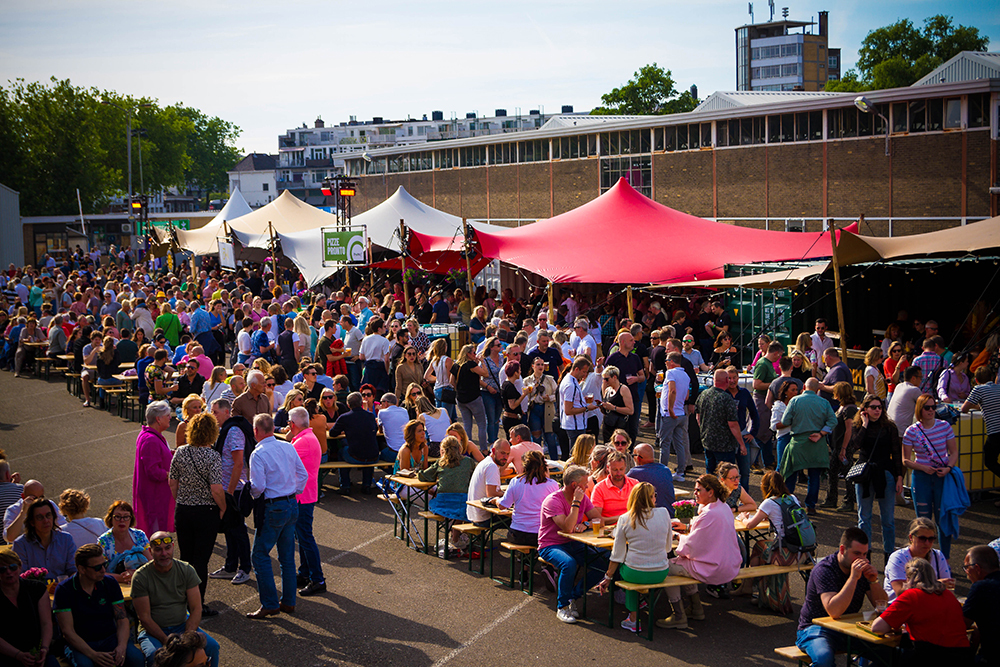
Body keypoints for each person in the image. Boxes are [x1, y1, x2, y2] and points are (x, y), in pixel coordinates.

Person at [656, 474, 742, 629]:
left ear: (711, 492)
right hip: (729, 563)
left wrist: (675, 535)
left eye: (698, 490)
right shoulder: (724, 507)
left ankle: (679, 615)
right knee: (683, 562)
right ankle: (696, 608)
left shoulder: (709, 513)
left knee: (666, 567)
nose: (695, 493)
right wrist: (688, 529)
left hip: (714, 567)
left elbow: (692, 546)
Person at [795, 528, 889, 667]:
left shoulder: (862, 571)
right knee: (823, 659)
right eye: (856, 554)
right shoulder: (825, 569)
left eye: (864, 554)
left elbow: (882, 605)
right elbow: (834, 611)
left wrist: (873, 581)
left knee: (890, 654)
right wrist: (853, 578)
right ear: (842, 549)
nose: (861, 559)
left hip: (849, 628)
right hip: (815, 629)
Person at [247, 414, 308, 619]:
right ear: (273, 428)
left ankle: (270, 603)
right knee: (287, 557)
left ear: (256, 431)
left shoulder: (258, 453)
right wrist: (293, 492)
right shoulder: (288, 446)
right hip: (291, 504)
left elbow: (258, 487)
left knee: (259, 555)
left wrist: (250, 494)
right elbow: (304, 474)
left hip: (274, 506)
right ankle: (289, 601)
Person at [131, 532, 221, 665]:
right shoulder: (140, 577)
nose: (164, 553)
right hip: (153, 632)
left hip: (182, 626)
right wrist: (168, 641)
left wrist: (187, 638)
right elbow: (145, 618)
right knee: (154, 657)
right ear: (150, 551)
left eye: (167, 548)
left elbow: (196, 608)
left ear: (173, 547)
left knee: (213, 647)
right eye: (158, 550)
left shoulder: (186, 570)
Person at [168, 413, 225, 617]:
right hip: (205, 512)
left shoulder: (181, 452)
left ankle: (183, 602)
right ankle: (198, 604)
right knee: (200, 561)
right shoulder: (212, 456)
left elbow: (172, 482)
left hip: (183, 510)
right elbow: (216, 489)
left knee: (185, 558)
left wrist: (182, 499)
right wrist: (223, 507)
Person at [537, 464, 608, 624]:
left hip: (574, 543)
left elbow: (600, 520)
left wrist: (587, 524)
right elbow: (568, 527)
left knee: (602, 564)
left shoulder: (584, 498)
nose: (588, 486)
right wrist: (576, 502)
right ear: (575, 486)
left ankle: (572, 597)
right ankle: (562, 607)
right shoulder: (553, 501)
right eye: (585, 484)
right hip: (550, 545)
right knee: (568, 564)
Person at [597, 482, 672, 633]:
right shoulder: (664, 513)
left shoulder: (625, 518)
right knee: (635, 568)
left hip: (635, 573)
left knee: (630, 570)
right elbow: (668, 547)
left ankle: (633, 618)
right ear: (651, 498)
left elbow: (617, 555)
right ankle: (641, 605)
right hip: (660, 572)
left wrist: (608, 577)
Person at [54, 543, 145, 667]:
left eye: (104, 565)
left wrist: (121, 647)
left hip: (110, 638)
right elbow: (68, 632)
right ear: (81, 569)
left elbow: (122, 619)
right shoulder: (64, 590)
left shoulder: (109, 583)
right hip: (81, 643)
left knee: (136, 659)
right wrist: (93, 655)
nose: (103, 570)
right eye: (97, 567)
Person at [871, 558, 971, 663]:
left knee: (878, 655)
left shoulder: (911, 596)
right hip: (961, 656)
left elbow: (877, 628)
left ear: (908, 578)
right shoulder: (948, 594)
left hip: (930, 657)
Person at [903, 393, 960, 559]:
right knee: (923, 522)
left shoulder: (944, 426)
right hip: (921, 478)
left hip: (942, 477)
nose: (931, 410)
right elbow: (905, 460)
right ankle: (923, 559)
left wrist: (948, 468)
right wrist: (922, 467)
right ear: (920, 409)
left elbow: (954, 452)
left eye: (933, 407)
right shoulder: (911, 431)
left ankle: (945, 559)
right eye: (927, 407)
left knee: (944, 519)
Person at [739, 471, 805, 614]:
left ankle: (749, 587)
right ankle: (762, 594)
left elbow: (750, 525)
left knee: (758, 546)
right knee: (764, 547)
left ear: (765, 486)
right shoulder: (792, 498)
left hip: (785, 553)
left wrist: (742, 518)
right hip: (802, 551)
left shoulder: (769, 503)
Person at [850, 394, 903, 564]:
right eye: (873, 407)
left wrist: (899, 476)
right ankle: (865, 555)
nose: (877, 410)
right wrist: (865, 425)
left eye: (879, 407)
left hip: (885, 474)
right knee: (864, 518)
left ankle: (889, 556)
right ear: (864, 409)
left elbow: (896, 454)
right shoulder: (858, 425)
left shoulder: (890, 427)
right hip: (864, 474)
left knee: (887, 520)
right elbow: (854, 446)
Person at [777, 378, 837, 514]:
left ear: (804, 386)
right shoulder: (824, 402)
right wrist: (821, 433)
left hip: (798, 442)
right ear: (818, 389)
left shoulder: (795, 401)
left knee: (791, 473)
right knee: (814, 476)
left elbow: (785, 420)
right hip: (817, 443)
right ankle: (810, 505)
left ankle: (789, 504)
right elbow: (833, 420)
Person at [286, 407, 326, 598]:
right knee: (303, 537)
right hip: (306, 494)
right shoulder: (307, 438)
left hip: (303, 496)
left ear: (293, 424)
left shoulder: (302, 441)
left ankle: (317, 579)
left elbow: (285, 463)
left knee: (305, 538)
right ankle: (305, 573)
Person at [0, 549, 58, 667]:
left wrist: (44, 649)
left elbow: (46, 624)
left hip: (37, 651)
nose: (8, 572)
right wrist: (18, 655)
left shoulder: (37, 589)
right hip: (6, 654)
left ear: (20, 567)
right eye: (2, 569)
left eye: (13, 567)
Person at [417, 436, 476, 550]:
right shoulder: (468, 462)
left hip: (443, 503)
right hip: (463, 503)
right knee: (462, 503)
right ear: (459, 448)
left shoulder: (440, 463)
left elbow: (424, 476)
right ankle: (459, 537)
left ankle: (455, 537)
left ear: (442, 450)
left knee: (452, 503)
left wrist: (418, 470)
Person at [493, 450, 559, 547]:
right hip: (541, 533)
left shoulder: (516, 482)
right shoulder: (552, 485)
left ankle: (523, 557)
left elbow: (503, 506)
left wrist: (495, 500)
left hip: (518, 533)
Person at [884, 517, 952, 602]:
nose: (927, 543)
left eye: (931, 539)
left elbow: (948, 586)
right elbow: (900, 592)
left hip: (928, 604)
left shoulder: (938, 556)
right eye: (922, 538)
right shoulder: (898, 558)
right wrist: (935, 585)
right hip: (901, 606)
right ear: (911, 537)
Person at [695, 369, 745, 476]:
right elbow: (733, 424)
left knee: (710, 474)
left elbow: (698, 417)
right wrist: (741, 444)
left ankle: (710, 492)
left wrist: (704, 431)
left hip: (707, 441)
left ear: (713, 380)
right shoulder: (727, 399)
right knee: (727, 476)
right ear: (727, 380)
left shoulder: (703, 395)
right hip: (724, 445)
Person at [12, 498, 77, 580]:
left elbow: (73, 570)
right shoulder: (21, 544)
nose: (46, 521)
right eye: (40, 517)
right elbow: (20, 576)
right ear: (32, 522)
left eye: (48, 515)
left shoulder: (66, 539)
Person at [962, 366, 1000, 504]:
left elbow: (964, 408)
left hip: (995, 432)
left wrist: (978, 405)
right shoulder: (998, 388)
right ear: (991, 377)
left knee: (990, 461)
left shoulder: (979, 389)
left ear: (976, 380)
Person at [329, 392, 380, 495]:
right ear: (361, 403)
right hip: (374, 456)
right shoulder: (370, 416)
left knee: (341, 452)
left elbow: (332, 433)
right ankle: (367, 485)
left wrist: (344, 430)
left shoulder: (345, 417)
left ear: (348, 405)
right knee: (368, 449)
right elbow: (375, 429)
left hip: (356, 456)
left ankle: (345, 485)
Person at [824, 381, 858, 512]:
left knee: (847, 474)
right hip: (837, 445)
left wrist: (844, 448)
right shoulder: (843, 407)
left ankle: (848, 501)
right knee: (833, 472)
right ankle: (831, 499)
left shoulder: (849, 409)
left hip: (844, 447)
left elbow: (849, 429)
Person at [97, 500, 151, 585]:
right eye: (118, 517)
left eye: (126, 517)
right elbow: (99, 572)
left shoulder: (139, 535)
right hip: (114, 584)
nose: (122, 520)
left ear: (131, 519)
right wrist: (122, 578)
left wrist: (137, 575)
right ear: (111, 519)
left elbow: (150, 563)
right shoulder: (103, 541)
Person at [962, 545, 1000, 665]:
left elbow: (962, 624)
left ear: (977, 568)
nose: (966, 573)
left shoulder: (982, 587)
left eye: (966, 568)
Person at [659, 352, 691, 480]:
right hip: (681, 414)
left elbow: (672, 390)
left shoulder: (670, 373)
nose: (666, 363)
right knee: (679, 443)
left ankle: (662, 473)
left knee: (665, 443)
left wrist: (671, 409)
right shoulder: (685, 375)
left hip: (670, 414)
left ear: (671, 361)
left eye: (667, 361)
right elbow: (687, 395)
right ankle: (680, 472)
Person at [454, 344, 490, 452]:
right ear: (468, 354)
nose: (475, 354)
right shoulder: (471, 365)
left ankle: (467, 448)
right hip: (473, 398)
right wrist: (482, 362)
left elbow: (452, 381)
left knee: (467, 424)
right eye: (473, 352)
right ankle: (483, 449)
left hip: (461, 398)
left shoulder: (456, 365)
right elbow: (485, 374)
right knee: (481, 424)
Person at [466, 439, 511, 526]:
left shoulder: (487, 462)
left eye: (508, 454)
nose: (505, 457)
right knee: (522, 520)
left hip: (475, 514)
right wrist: (510, 495)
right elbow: (491, 493)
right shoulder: (491, 466)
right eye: (502, 453)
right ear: (493, 451)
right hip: (484, 517)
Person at [523, 356, 559, 459]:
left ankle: (555, 463)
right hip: (534, 410)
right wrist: (533, 388)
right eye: (538, 364)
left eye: (542, 364)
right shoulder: (527, 380)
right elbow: (525, 397)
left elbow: (557, 395)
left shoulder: (549, 379)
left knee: (550, 438)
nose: (540, 366)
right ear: (533, 366)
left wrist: (549, 398)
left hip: (547, 409)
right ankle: (537, 463)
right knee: (536, 438)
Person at [591, 451, 638, 523]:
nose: (618, 473)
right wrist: (622, 518)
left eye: (621, 469)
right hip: (609, 530)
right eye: (615, 470)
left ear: (625, 467)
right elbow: (596, 519)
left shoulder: (635, 484)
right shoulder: (599, 488)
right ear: (607, 468)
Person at [628, 443, 675, 515]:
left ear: (638, 458)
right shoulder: (665, 470)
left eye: (633, 455)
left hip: (649, 517)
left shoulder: (634, 473)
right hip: (669, 515)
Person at [424, 338, 456, 421]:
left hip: (437, 389)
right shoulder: (448, 360)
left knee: (439, 415)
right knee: (447, 416)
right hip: (446, 389)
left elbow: (426, 376)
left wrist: (438, 378)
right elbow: (450, 378)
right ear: (445, 347)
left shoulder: (434, 360)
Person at [888, 365, 923, 436]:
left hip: (889, 427)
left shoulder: (899, 386)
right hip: (901, 431)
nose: (921, 380)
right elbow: (926, 405)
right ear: (913, 378)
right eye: (920, 377)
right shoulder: (915, 390)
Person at [771, 381, 799, 469]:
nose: (795, 392)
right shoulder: (779, 406)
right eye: (793, 390)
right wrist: (787, 423)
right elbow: (773, 426)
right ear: (785, 391)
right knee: (782, 465)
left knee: (794, 466)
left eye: (796, 390)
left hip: (796, 437)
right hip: (784, 437)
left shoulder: (798, 404)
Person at [500, 360, 529, 435]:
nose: (520, 372)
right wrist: (524, 394)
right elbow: (512, 406)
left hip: (511, 418)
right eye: (519, 370)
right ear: (515, 373)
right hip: (511, 420)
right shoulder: (509, 387)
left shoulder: (507, 384)